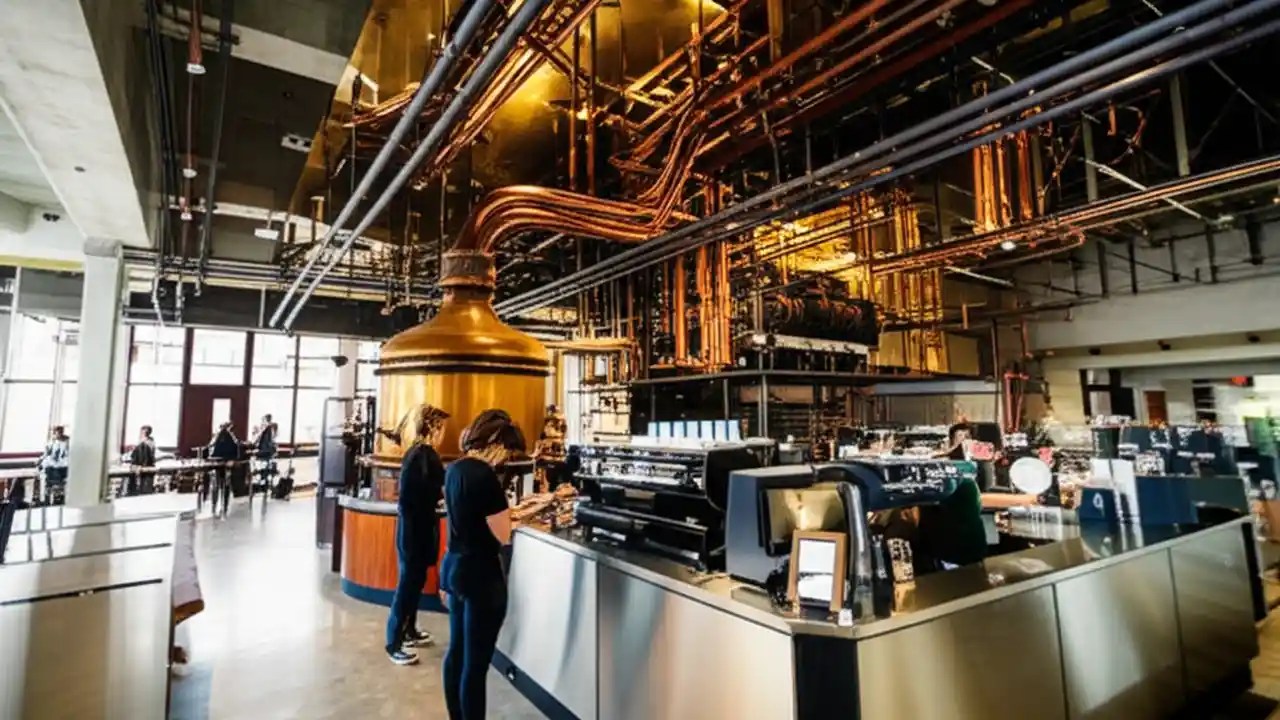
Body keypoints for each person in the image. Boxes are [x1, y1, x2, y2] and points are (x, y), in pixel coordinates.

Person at [440, 409, 524, 720]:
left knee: (457, 653)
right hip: (482, 576)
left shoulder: (454, 469)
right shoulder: (485, 477)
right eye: (506, 450)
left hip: (456, 568)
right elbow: (502, 534)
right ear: (495, 442)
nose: (505, 458)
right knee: (476, 666)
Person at [386, 404, 450, 665]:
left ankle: (410, 631)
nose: (443, 433)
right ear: (433, 427)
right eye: (441, 427)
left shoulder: (420, 454)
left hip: (416, 530)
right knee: (407, 586)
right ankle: (394, 643)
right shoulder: (423, 456)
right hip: (415, 532)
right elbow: (428, 491)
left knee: (413, 583)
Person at [207, 422, 241, 516]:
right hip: (225, 464)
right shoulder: (229, 437)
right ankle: (223, 506)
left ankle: (215, 506)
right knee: (224, 485)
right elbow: (236, 449)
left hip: (217, 463)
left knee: (217, 486)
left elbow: (211, 449)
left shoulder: (219, 436)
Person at [38, 426, 70, 505]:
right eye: (56, 433)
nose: (58, 435)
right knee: (46, 463)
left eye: (59, 432)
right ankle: (46, 495)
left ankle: (59, 487)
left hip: (63, 462)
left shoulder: (67, 442)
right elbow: (46, 453)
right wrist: (40, 459)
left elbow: (68, 453)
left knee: (64, 465)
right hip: (53, 462)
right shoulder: (52, 442)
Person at [127, 425, 158, 496]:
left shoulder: (144, 444)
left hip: (144, 469)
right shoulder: (150, 442)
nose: (139, 434)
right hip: (148, 469)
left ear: (144, 433)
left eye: (141, 433)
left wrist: (136, 466)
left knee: (144, 492)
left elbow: (140, 458)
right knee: (146, 491)